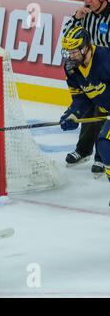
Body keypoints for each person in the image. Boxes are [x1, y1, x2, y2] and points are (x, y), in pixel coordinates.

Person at [59, 26, 110, 203]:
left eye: (74, 51)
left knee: (105, 143)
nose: (71, 56)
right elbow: (81, 99)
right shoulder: (72, 68)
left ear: (86, 47)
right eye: (68, 51)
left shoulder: (105, 59)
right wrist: (73, 114)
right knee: (105, 145)